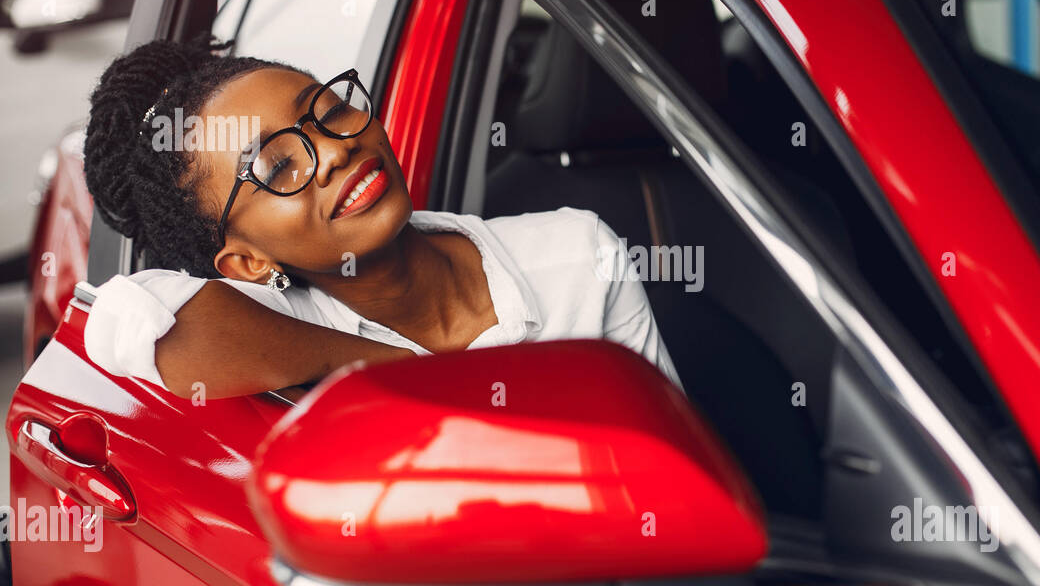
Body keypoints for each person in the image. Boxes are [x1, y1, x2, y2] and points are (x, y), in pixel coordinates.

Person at [80, 34, 681, 400]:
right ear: (246, 261)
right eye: (278, 165)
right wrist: (410, 373)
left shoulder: (575, 253)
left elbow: (677, 472)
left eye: (328, 110)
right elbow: (134, 321)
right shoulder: (279, 320)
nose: (338, 149)